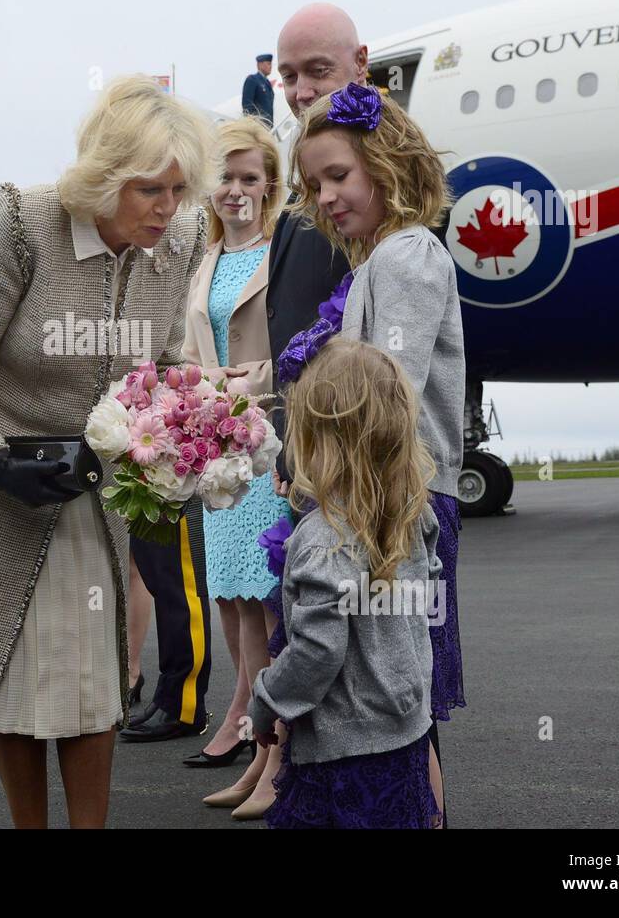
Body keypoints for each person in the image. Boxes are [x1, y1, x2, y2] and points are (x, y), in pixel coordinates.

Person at [0, 75, 213, 829]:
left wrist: (193, 420)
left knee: (91, 681)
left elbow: (163, 361)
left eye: (179, 190)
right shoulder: (23, 221)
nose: (167, 209)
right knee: (14, 674)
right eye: (149, 190)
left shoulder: (182, 238)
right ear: (104, 178)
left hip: (90, 494)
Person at [285, 80, 465, 824]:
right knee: (388, 699)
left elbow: (389, 395)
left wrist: (322, 469)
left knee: (399, 703)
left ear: (386, 164)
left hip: (395, 502)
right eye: (311, 184)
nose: (324, 197)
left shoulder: (408, 259)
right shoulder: (379, 262)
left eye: (339, 176)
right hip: (371, 496)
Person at [248, 335, 443, 829]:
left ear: (318, 438)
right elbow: (427, 604)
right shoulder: (413, 516)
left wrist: (267, 700)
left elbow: (317, 653)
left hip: (340, 755)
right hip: (405, 736)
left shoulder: (321, 540)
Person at [176, 119, 288, 816]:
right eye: (225, 176)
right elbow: (193, 357)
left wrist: (255, 383)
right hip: (220, 457)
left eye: (250, 177)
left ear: (271, 186)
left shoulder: (286, 251)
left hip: (268, 443)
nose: (235, 189)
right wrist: (193, 394)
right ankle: (257, 751)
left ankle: (281, 757)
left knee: (271, 607)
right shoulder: (204, 261)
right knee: (239, 604)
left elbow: (308, 338)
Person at [267, 5, 359, 468]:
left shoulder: (391, 184)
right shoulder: (298, 190)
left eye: (318, 72)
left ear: (361, 63)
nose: (302, 93)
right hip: (304, 452)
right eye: (288, 77)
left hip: (352, 453)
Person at [117, 505, 211, 742]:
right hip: (149, 479)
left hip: (178, 483)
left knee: (178, 583)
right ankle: (170, 696)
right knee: (158, 572)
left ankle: (183, 704)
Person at [240, 53, 275, 127]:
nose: (271, 67)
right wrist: (252, 123)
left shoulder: (267, 83)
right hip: (257, 125)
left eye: (271, 64)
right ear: (260, 65)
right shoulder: (252, 80)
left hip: (268, 125)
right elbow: (247, 104)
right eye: (268, 64)